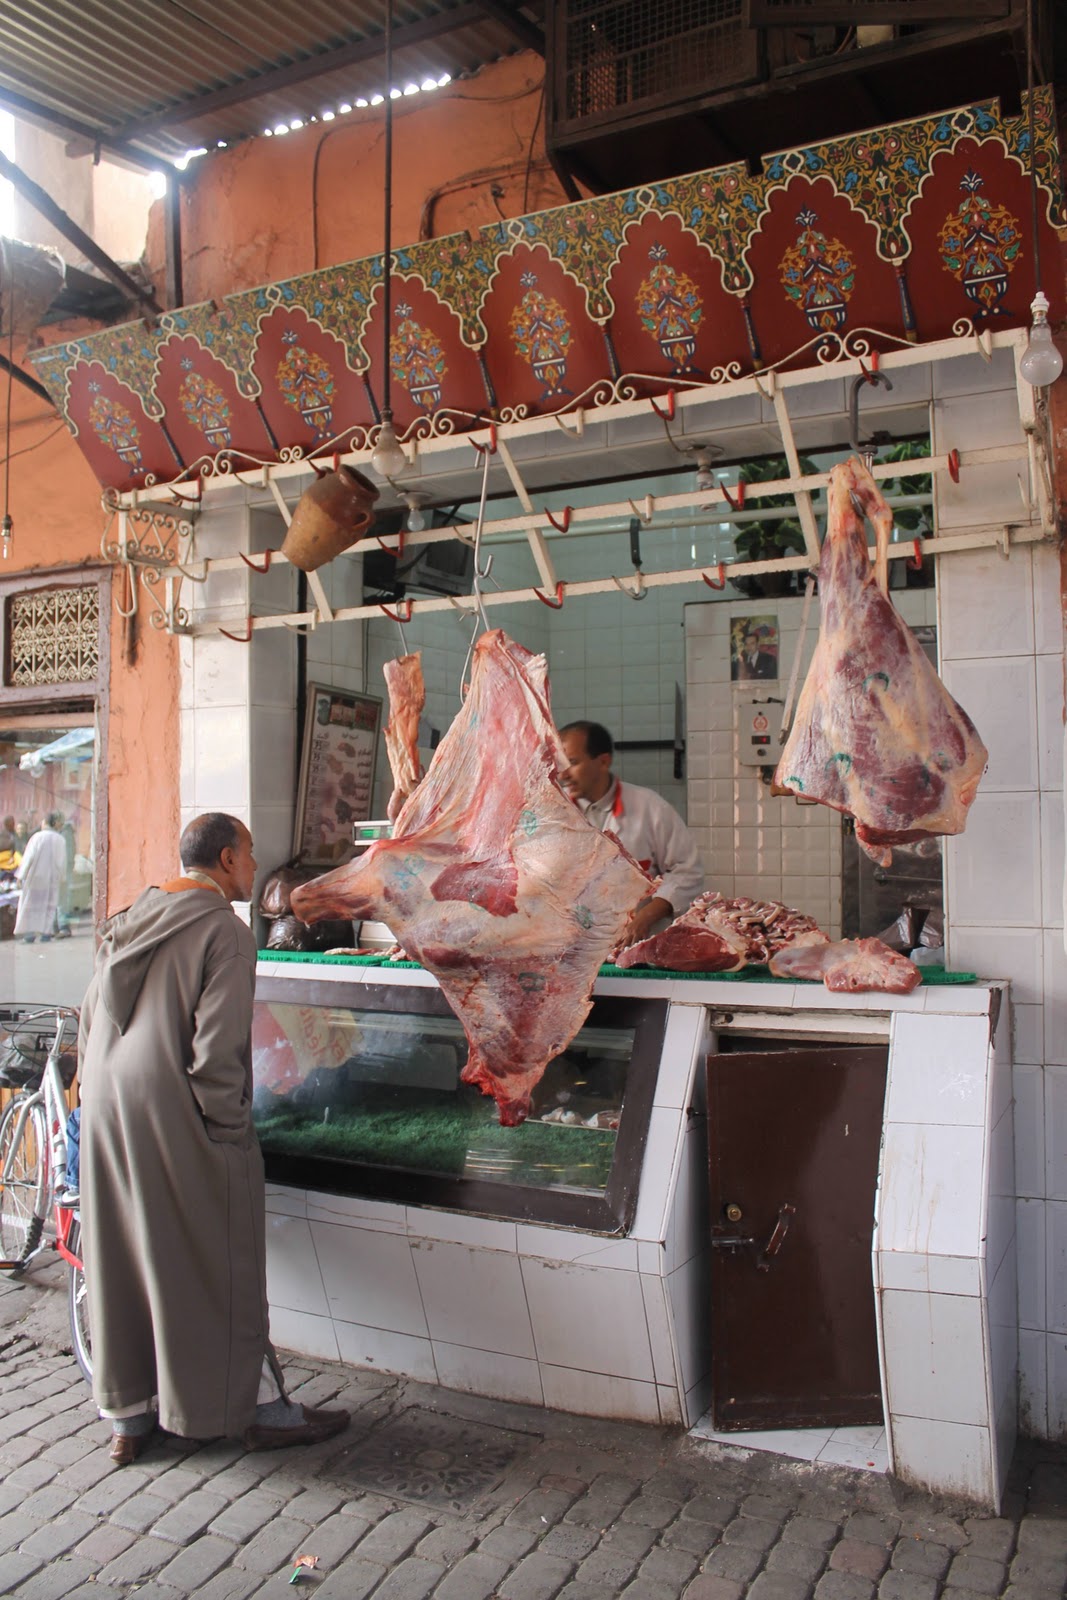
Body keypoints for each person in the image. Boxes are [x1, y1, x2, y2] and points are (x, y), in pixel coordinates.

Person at [78, 812, 349, 1466]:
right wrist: (230, 1135)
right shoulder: (223, 932)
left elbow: (90, 1016)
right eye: (251, 855)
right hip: (175, 1108)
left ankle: (131, 1417)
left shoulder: (131, 918)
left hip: (106, 1102)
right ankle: (259, 1411)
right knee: (217, 1258)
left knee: (124, 1255)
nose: (255, 870)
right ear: (227, 860)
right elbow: (217, 1050)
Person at [559, 721, 705, 943]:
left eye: (572, 762)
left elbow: (687, 871)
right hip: (571, 948)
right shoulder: (553, 813)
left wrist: (645, 918)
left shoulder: (650, 807)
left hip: (638, 946)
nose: (563, 774)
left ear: (603, 761)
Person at [13, 811, 66, 942]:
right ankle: (46, 934)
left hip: (35, 878)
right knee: (49, 907)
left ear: (45, 823)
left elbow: (28, 858)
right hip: (52, 879)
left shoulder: (37, 837)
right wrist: (62, 878)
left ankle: (29, 935)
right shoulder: (60, 839)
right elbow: (62, 862)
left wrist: (20, 876)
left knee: (31, 907)